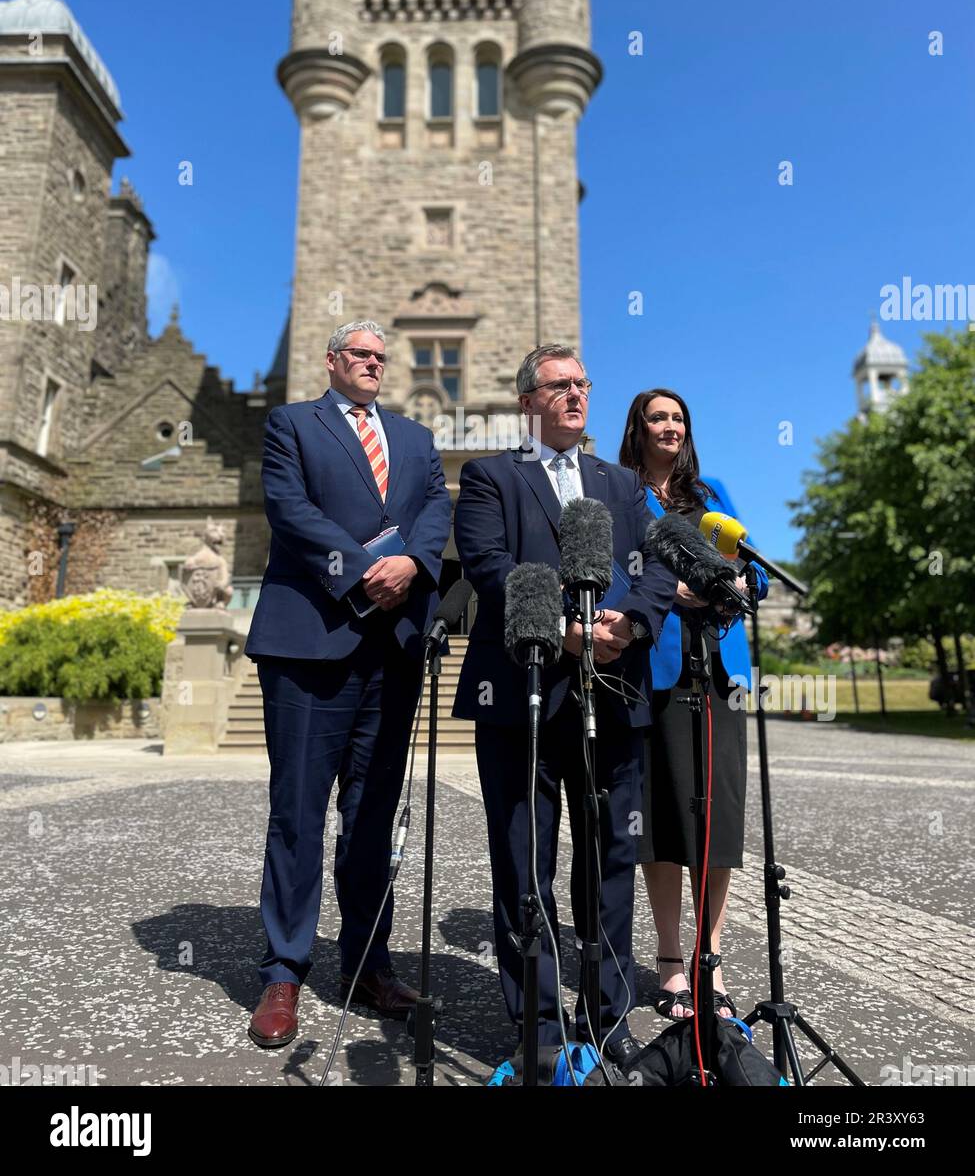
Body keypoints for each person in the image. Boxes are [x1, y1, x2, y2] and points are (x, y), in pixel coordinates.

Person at [452, 344, 676, 1066]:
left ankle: (607, 1026)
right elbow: (490, 567)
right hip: (522, 692)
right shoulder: (491, 476)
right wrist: (562, 631)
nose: (576, 395)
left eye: (583, 384)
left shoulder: (619, 482)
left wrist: (628, 624)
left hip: (614, 693)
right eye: (559, 386)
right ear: (527, 401)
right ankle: (540, 1035)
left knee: (610, 862)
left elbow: (653, 566)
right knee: (525, 866)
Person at [244, 319, 452, 1047]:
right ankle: (283, 971)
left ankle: (366, 962)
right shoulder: (291, 425)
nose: (372, 364)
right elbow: (290, 511)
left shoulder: (418, 439)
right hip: (310, 641)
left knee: (373, 817)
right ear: (331, 361)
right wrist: (363, 572)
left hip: (390, 650)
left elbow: (434, 512)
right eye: (359, 354)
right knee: (298, 815)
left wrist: (414, 566)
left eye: (380, 358)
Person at [619, 388, 768, 1020]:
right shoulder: (620, 495)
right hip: (656, 672)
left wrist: (732, 582)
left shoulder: (713, 497)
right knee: (662, 817)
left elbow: (756, 572)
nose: (671, 427)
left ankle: (712, 959)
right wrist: (674, 591)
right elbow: (619, 574)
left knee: (720, 823)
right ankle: (671, 962)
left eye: (679, 418)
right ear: (639, 428)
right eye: (659, 417)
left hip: (720, 676)